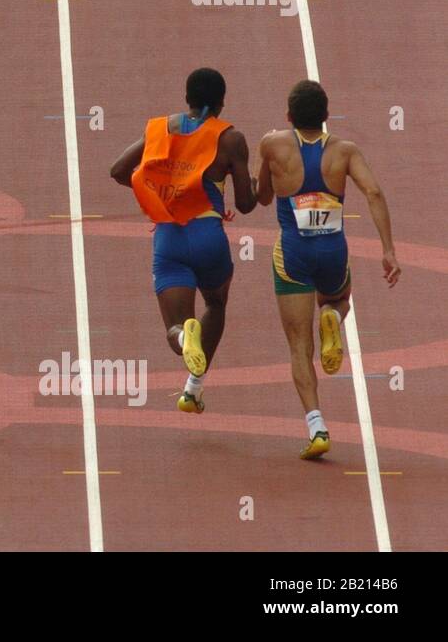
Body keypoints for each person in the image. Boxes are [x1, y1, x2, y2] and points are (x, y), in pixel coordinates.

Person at [256, 79, 400, 459]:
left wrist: (268, 172)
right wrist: (388, 250)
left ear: (288, 116)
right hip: (333, 251)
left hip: (293, 254)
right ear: (326, 116)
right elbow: (374, 192)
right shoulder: (345, 150)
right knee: (340, 300)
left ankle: (317, 427)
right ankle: (333, 316)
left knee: (299, 346)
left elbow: (262, 197)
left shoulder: (272, 144)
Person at [109, 68, 255, 413]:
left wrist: (156, 190)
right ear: (221, 103)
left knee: (175, 328)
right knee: (215, 305)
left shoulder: (160, 129)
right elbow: (246, 204)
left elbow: (118, 171)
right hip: (209, 238)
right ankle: (193, 389)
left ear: (186, 98)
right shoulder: (230, 139)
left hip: (169, 239)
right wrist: (260, 185)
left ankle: (183, 336)